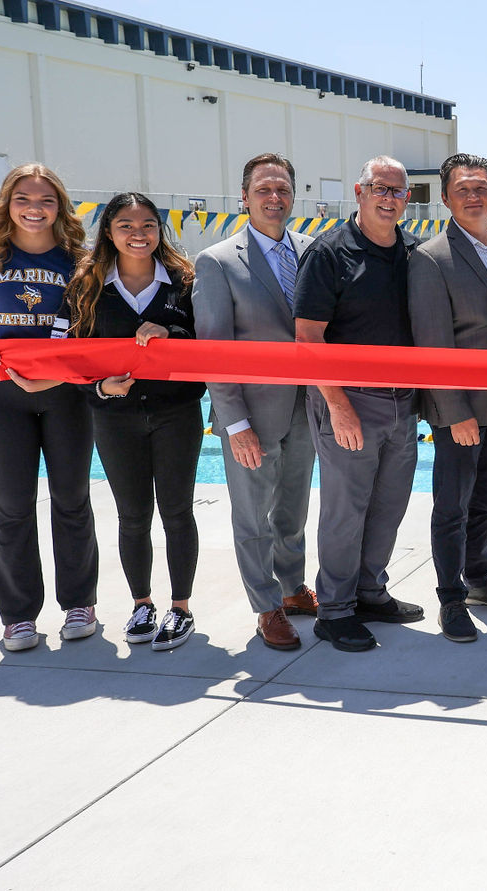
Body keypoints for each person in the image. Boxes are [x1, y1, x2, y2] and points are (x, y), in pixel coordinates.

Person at [58, 193, 206, 651]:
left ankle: (180, 607)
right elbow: (67, 357)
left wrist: (171, 333)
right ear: (108, 232)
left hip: (176, 414)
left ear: (160, 231)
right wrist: (101, 389)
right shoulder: (87, 285)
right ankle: (142, 603)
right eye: (126, 225)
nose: (138, 234)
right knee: (133, 515)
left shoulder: (184, 283)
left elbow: (207, 341)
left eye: (147, 225)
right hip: (115, 419)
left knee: (177, 511)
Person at [294, 155, 424, 653]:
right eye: (379, 188)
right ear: (359, 191)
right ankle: (335, 608)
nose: (388, 198)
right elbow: (307, 339)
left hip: (402, 403)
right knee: (345, 511)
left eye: (397, 191)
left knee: (388, 506)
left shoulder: (414, 252)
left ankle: (370, 592)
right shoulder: (330, 254)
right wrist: (339, 405)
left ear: (406, 199)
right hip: (350, 401)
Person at [193, 153, 320, 651]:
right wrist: (235, 423)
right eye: (263, 189)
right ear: (244, 198)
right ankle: (266, 606)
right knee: (252, 516)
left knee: (293, 508)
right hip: (252, 411)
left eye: (282, 188)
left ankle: (291, 587)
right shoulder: (218, 260)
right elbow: (214, 349)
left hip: (306, 408)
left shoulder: (312, 251)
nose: (274, 197)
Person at [0, 164, 98, 652]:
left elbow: (93, 329)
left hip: (65, 394)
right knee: (12, 507)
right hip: (0, 395)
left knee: (71, 501)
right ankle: (19, 615)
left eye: (45, 199)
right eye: (23, 198)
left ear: (60, 207)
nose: (34, 208)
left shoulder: (81, 260)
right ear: (6, 203)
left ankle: (79, 603)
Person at [409, 153, 487, 643]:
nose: (474, 196)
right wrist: (454, 412)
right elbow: (432, 343)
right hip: (461, 406)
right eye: (463, 189)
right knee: (451, 504)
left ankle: (479, 577)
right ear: (445, 197)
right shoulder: (431, 257)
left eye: (482, 187)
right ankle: (451, 597)